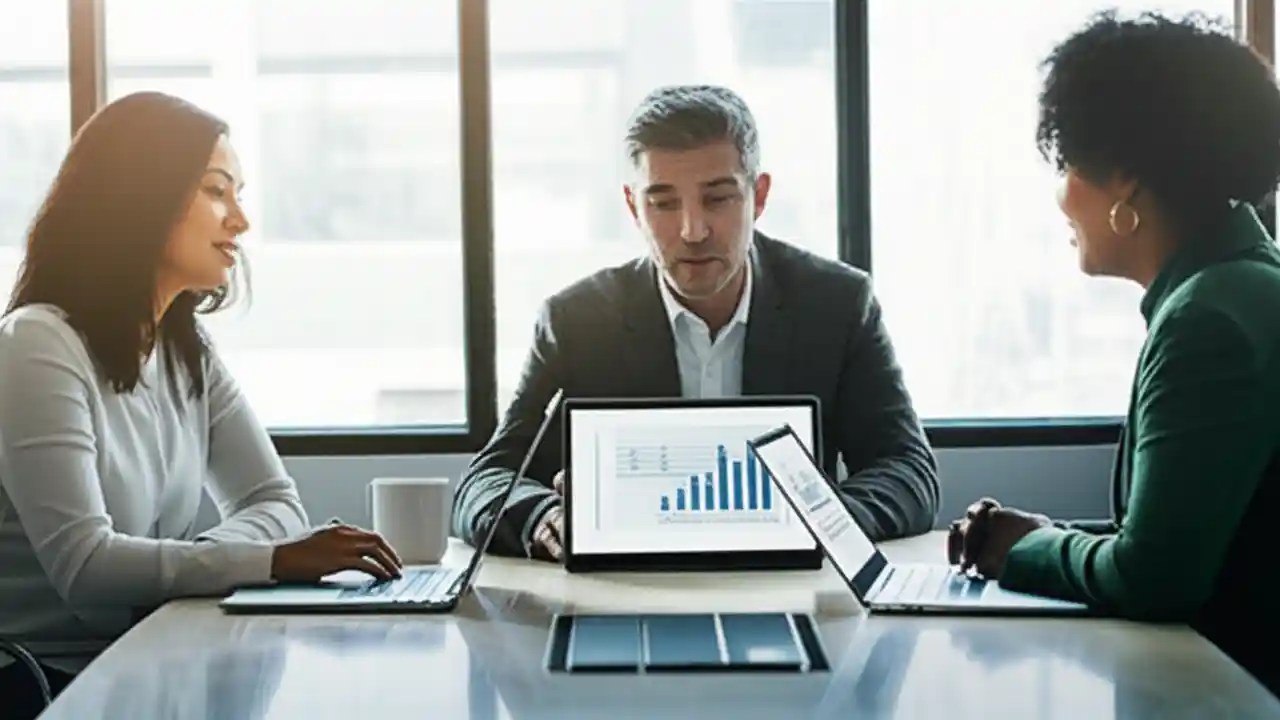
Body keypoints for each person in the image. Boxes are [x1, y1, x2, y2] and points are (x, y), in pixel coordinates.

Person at [0, 92, 402, 717]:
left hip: (152, 657)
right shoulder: (37, 344)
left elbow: (276, 502)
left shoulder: (185, 348)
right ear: (139, 197)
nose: (240, 220)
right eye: (219, 190)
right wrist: (268, 560)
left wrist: (213, 560)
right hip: (44, 683)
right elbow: (87, 569)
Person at [454, 85, 939, 561]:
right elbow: (486, 481)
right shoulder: (576, 322)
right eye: (663, 203)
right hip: (627, 600)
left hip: (790, 590)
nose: (692, 230)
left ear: (759, 196)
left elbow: (906, 469)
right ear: (632, 206)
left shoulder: (836, 305)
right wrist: (543, 517)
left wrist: (820, 523)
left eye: (718, 199)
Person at [949, 12, 1280, 696]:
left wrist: (1023, 548)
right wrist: (1045, 534)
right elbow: (1190, 534)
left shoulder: (1205, 320)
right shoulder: (1243, 283)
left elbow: (1154, 578)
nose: (1062, 195)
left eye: (1068, 165)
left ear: (1125, 183)